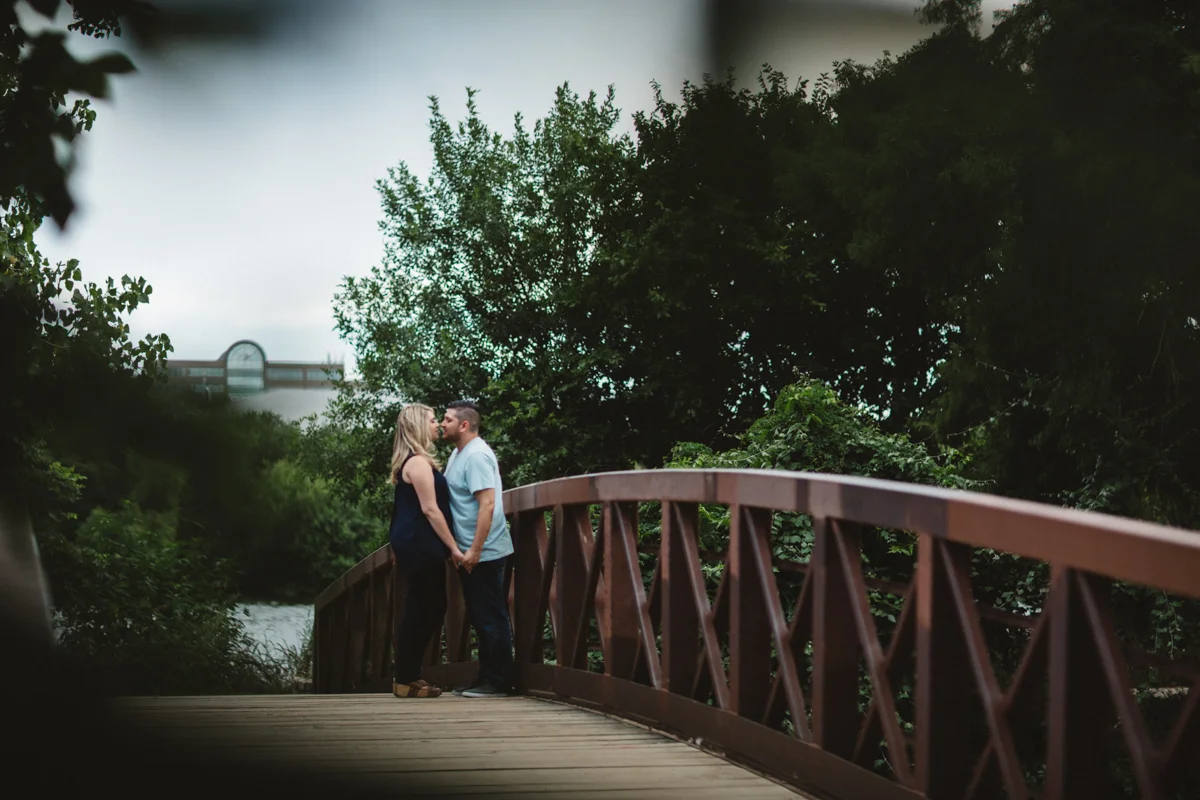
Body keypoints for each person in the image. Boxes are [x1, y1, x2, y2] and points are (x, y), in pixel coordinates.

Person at [387, 403, 464, 698]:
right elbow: (430, 510)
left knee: (425, 606)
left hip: (416, 541)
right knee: (426, 607)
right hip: (420, 542)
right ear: (419, 425)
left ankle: (407, 675)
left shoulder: (415, 461)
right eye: (432, 420)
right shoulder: (417, 463)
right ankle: (405, 677)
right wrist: (454, 548)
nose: (437, 425)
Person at [440, 399, 514, 698]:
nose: (442, 424)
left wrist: (474, 550)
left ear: (464, 424)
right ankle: (486, 678)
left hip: (483, 551)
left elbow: (488, 504)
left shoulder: (477, 456)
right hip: (470, 550)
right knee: (481, 615)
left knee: (490, 616)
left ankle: (497, 683)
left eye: (446, 419)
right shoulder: (459, 454)